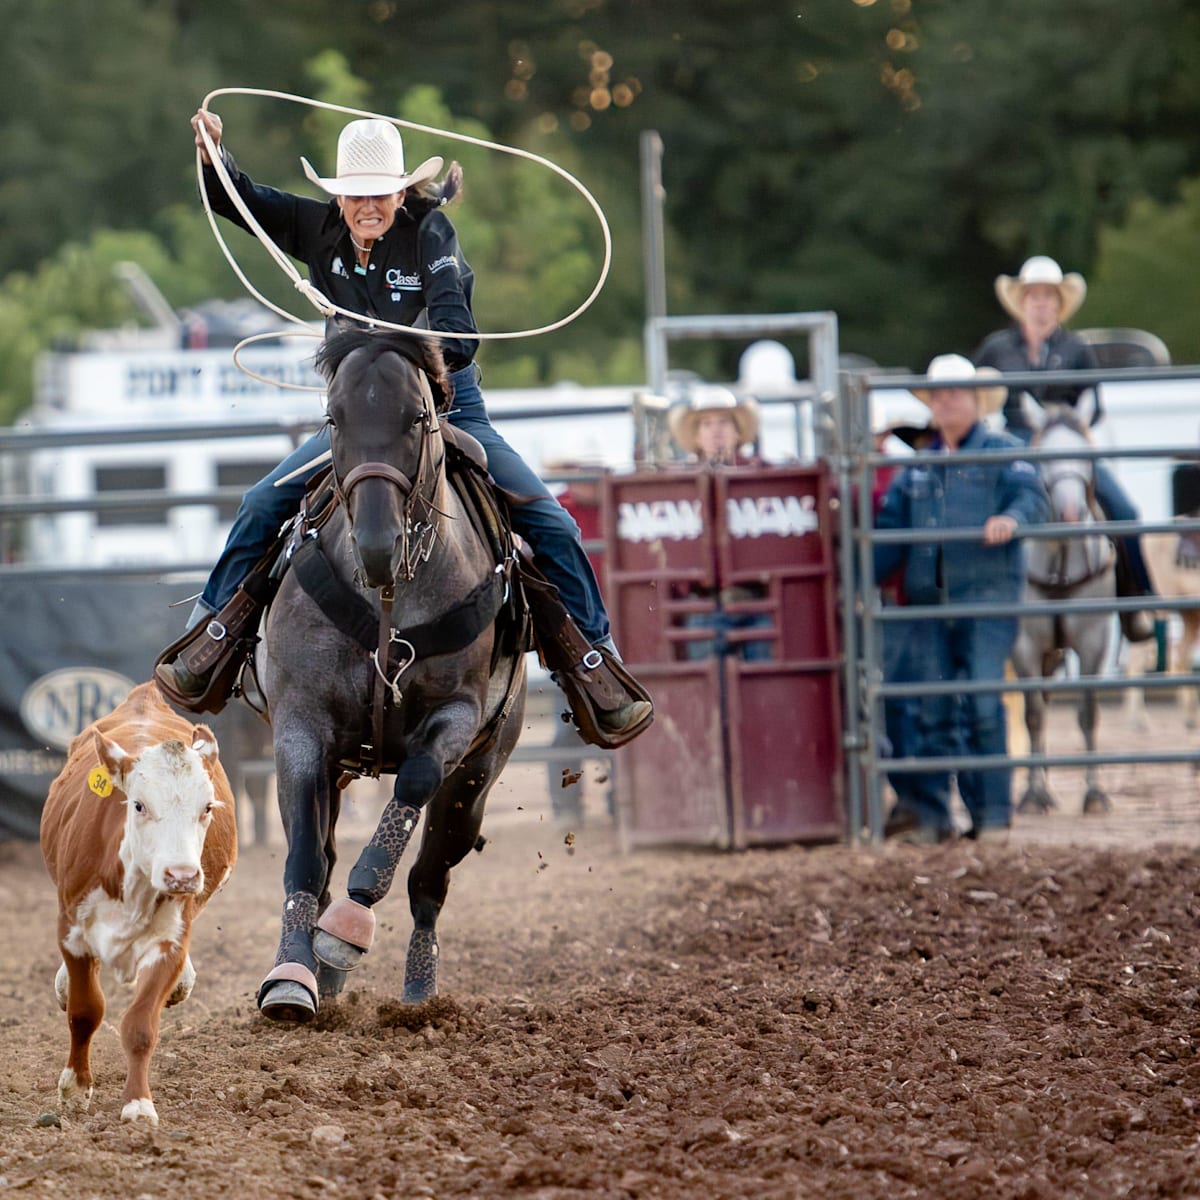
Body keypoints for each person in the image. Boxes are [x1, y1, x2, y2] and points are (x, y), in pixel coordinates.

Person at [155, 111, 652, 745]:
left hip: (446, 411)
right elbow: (240, 202)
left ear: (399, 192)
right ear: (339, 194)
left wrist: (399, 354)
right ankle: (212, 635)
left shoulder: (430, 232)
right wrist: (213, 155)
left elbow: (459, 335)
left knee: (548, 521)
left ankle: (594, 660)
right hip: (361, 424)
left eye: (378, 192)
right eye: (355, 193)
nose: (366, 205)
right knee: (262, 503)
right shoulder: (318, 227)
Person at [874, 355, 1050, 844]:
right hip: (932, 602)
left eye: (955, 393)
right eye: (939, 394)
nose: (946, 401)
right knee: (928, 706)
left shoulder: (1003, 452)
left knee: (980, 698)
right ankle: (934, 818)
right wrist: (855, 573)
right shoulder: (918, 470)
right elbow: (889, 533)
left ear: (976, 400)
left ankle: (991, 817)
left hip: (986, 601)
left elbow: (1032, 496)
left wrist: (1013, 519)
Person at [973, 255, 1156, 641]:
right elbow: (979, 399)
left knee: (1124, 511)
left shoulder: (1076, 349)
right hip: (1016, 441)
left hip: (1067, 443)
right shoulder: (997, 349)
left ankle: (1136, 599)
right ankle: (980, 602)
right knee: (981, 510)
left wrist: (1069, 434)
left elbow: (1095, 406)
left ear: (1059, 303)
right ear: (1021, 301)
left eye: (1048, 297)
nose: (1041, 303)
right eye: (1034, 296)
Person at [666, 384, 772, 660]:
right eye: (707, 424)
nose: (716, 431)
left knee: (763, 688)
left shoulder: (763, 475)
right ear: (697, 436)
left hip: (756, 600)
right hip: (702, 604)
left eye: (724, 422)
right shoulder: (678, 482)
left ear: (737, 432)